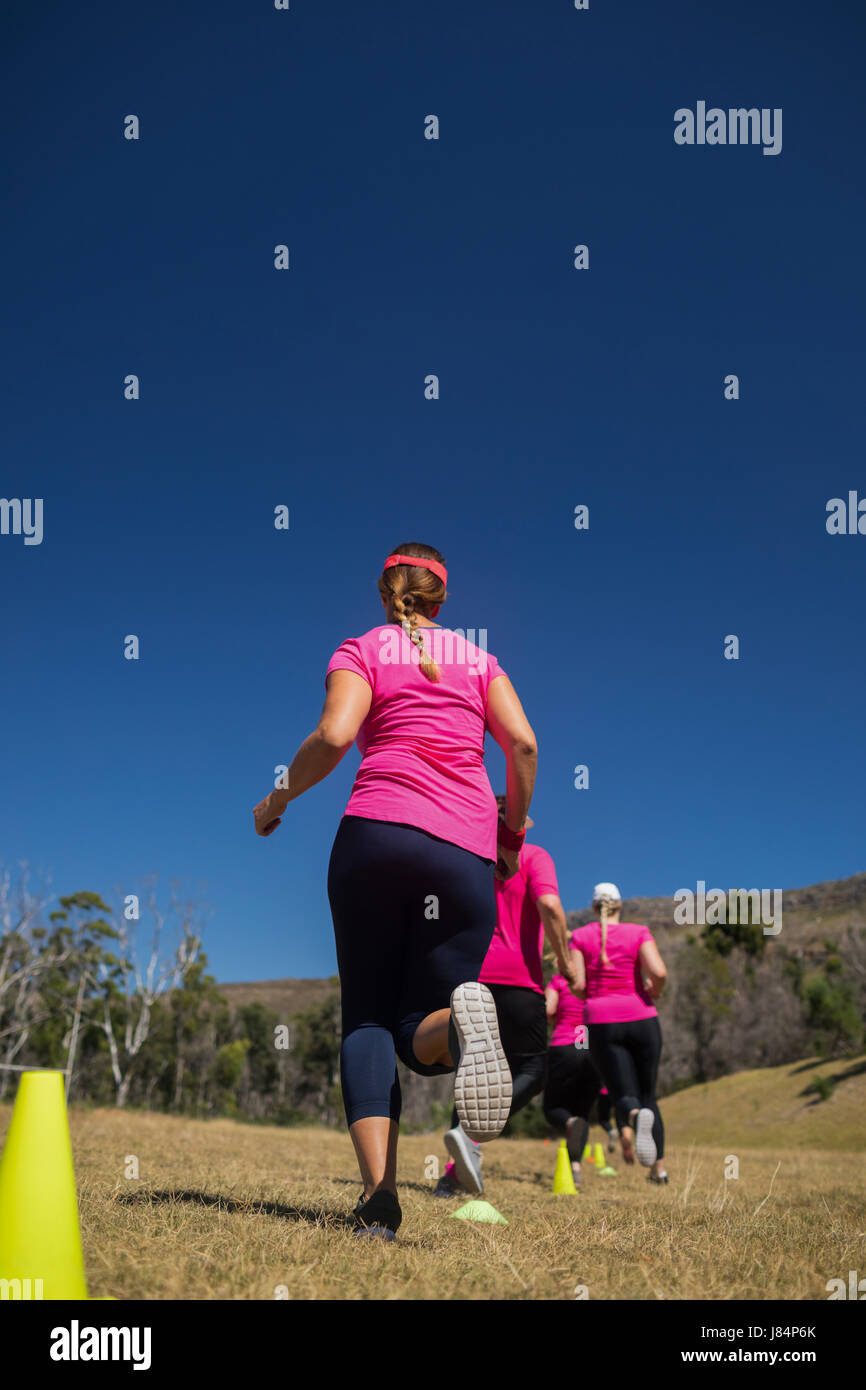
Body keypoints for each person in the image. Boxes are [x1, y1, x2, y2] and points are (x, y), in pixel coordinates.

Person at [253, 543, 540, 1237]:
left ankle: (379, 1198)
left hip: (377, 837)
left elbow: (333, 734)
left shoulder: (364, 648)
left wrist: (277, 799)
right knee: (420, 1028)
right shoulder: (480, 662)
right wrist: (508, 841)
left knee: (370, 1019)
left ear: (385, 593)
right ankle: (464, 1024)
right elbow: (524, 746)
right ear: (442, 602)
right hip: (465, 853)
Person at [434, 800, 577, 1198]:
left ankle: (451, 1177)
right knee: (533, 1071)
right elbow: (549, 905)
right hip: (519, 982)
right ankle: (469, 1135)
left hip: (470, 979)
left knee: (470, 1078)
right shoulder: (533, 856)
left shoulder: (469, 858)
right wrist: (565, 962)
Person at [570, 884, 669, 1185]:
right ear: (619, 906)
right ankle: (659, 1171)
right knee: (648, 1095)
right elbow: (660, 972)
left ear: (593, 906)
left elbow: (577, 986)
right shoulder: (638, 932)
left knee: (623, 1096)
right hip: (643, 1017)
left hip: (601, 1021)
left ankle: (635, 1118)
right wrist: (656, 990)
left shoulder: (580, 937)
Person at [542, 961, 602, 1187]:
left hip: (565, 1046)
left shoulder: (559, 981)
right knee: (583, 1113)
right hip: (592, 1050)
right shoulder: (595, 983)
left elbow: (548, 1009)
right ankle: (575, 1168)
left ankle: (568, 1121)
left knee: (552, 1108)